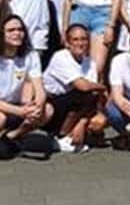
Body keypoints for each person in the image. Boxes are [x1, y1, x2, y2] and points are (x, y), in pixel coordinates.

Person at [0, 15, 51, 159]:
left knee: (47, 110)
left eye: (20, 30)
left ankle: (11, 136)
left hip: (15, 105)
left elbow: (40, 90)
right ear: (1, 34)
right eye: (11, 30)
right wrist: (21, 112)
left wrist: (37, 106)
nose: (17, 33)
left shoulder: (30, 56)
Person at [42, 24, 107, 153]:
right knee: (83, 93)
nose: (80, 43)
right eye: (75, 40)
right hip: (51, 105)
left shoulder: (90, 63)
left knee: (98, 116)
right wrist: (103, 87)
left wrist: (82, 122)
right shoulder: (60, 57)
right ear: (67, 43)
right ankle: (62, 136)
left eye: (84, 39)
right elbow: (82, 86)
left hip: (71, 106)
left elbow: (94, 93)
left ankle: (75, 132)